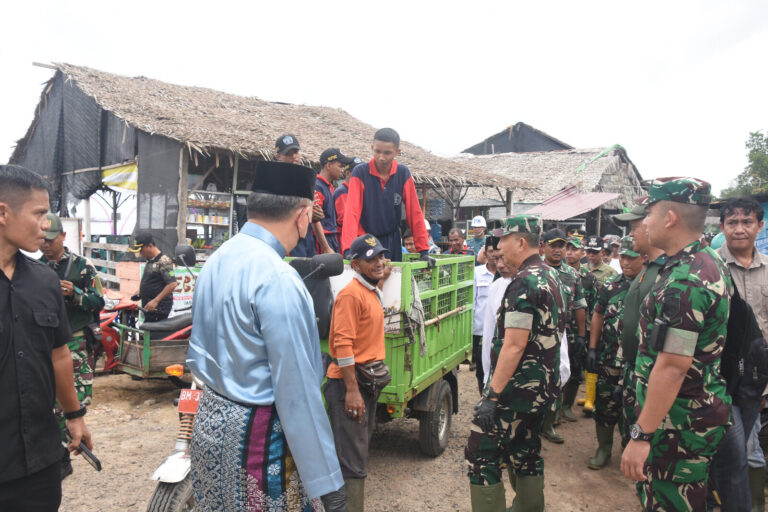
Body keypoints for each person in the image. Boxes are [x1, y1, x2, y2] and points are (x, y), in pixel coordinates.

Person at [187, 161, 345, 511]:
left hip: (212, 421)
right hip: (257, 440)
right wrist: (328, 482)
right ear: (303, 216)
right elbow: (298, 393)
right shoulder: (278, 277)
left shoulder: (217, 258)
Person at [620, 177, 731, 511]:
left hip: (676, 427)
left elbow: (672, 367)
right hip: (680, 419)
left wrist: (641, 436)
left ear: (670, 218)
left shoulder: (686, 280)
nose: (644, 223)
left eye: (649, 214)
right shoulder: (699, 262)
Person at [0, 164, 92, 511]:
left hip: (39, 461)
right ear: (3, 213)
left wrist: (74, 415)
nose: (46, 225)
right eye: (39, 214)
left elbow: (59, 355)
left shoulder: (44, 281)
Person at [466, 214, 564, 511]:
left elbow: (514, 344)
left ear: (521, 242)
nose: (499, 246)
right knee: (526, 453)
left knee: (480, 453)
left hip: (515, 392)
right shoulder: (551, 275)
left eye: (504, 240)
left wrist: (492, 396)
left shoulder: (523, 283)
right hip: (540, 392)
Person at [324, 234, 392, 512]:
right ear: (355, 264)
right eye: (370, 258)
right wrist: (352, 391)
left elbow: (379, 277)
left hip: (365, 382)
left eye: (381, 256)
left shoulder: (370, 289)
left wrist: (382, 275)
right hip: (347, 386)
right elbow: (343, 346)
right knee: (352, 458)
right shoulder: (351, 295)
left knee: (359, 451)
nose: (378, 262)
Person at [712, 196, 768, 511]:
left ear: (759, 226)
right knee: (732, 453)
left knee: (742, 448)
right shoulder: (710, 267)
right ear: (722, 227)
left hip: (755, 380)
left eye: (747, 222)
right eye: (732, 222)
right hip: (718, 376)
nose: (739, 229)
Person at [39, 213, 104, 480]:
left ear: (63, 237)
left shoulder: (82, 266)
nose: (46, 245)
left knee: (77, 396)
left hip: (76, 339)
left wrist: (74, 295)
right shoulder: (38, 268)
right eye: (43, 240)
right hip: (47, 341)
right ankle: (60, 450)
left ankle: (70, 440)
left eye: (51, 240)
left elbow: (98, 301)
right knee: (50, 398)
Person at [612, 198, 667, 453]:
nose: (631, 233)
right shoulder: (649, 268)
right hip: (635, 372)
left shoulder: (667, 272)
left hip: (652, 378)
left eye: (635, 226)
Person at [585, 236, 644, 470]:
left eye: (632, 257)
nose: (627, 262)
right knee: (605, 405)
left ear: (644, 258)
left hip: (638, 363)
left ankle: (630, 448)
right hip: (609, 358)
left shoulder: (652, 285)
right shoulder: (611, 284)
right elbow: (598, 314)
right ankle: (604, 449)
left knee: (634, 410)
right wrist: (592, 347)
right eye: (624, 257)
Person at [341, 128, 430, 262]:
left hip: (392, 240)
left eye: (387, 153)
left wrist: (423, 251)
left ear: (397, 152)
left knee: (392, 280)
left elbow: (414, 212)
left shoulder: (403, 173)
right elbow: (351, 212)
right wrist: (348, 249)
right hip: (366, 240)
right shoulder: (360, 172)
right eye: (377, 151)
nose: (381, 157)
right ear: (372, 148)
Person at [540, 228, 587, 443]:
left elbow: (579, 306)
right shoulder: (535, 270)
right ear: (544, 246)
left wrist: (581, 336)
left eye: (562, 246)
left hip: (561, 333)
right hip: (536, 334)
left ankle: (549, 422)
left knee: (558, 375)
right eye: (554, 245)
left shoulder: (572, 275)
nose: (558, 250)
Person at [565, 236, 602, 414]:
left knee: (575, 369)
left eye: (575, 249)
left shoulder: (589, 279)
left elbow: (596, 309)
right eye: (568, 248)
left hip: (580, 331)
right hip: (560, 329)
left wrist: (586, 334)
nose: (570, 252)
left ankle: (567, 406)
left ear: (582, 253)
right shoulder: (555, 273)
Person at [275, 133, 317, 258]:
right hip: (287, 236)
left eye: (296, 151)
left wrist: (314, 213)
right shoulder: (274, 180)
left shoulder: (306, 178)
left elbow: (311, 211)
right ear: (279, 156)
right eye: (288, 153)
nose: (294, 156)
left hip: (306, 237)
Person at [480, 246, 516, 385]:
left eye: (504, 258)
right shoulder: (496, 286)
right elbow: (489, 334)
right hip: (500, 378)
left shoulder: (542, 283)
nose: (499, 265)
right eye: (497, 258)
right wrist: (487, 377)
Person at [127, 232, 177, 323]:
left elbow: (172, 284)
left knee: (153, 335)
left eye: (141, 251)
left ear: (150, 246)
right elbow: (152, 280)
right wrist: (140, 292)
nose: (141, 254)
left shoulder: (163, 261)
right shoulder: (150, 260)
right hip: (149, 307)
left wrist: (156, 301)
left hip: (159, 309)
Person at [472, 236, 498, 392]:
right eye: (490, 251)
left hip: (500, 332)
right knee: (481, 370)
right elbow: (473, 303)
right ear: (486, 253)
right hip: (480, 332)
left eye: (496, 250)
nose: (494, 254)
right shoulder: (477, 273)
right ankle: (483, 397)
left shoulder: (507, 274)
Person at [313, 148, 348, 254]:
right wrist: (326, 247)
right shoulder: (318, 187)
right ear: (328, 166)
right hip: (322, 238)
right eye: (340, 166)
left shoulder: (329, 187)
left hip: (331, 237)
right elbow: (314, 220)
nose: (342, 170)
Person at [334, 156, 362, 249]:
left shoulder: (357, 192)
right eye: (356, 172)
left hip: (357, 238)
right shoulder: (342, 192)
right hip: (346, 239)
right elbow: (344, 219)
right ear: (348, 173)